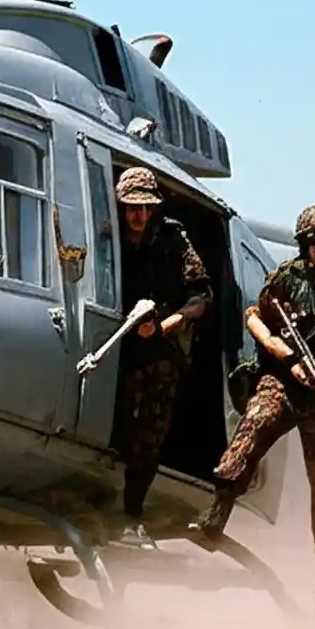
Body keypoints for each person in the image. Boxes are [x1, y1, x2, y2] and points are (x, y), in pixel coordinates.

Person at [187, 202, 315, 619]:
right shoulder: (287, 278)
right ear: (304, 245)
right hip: (284, 380)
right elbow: (255, 315)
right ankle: (217, 513)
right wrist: (281, 352)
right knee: (253, 426)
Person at [111, 166, 212, 550]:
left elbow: (200, 297)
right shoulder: (106, 236)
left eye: (144, 209)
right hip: (115, 343)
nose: (137, 216)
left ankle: (131, 516)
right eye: (130, 208)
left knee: (148, 436)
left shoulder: (172, 239)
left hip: (158, 350)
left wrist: (165, 325)